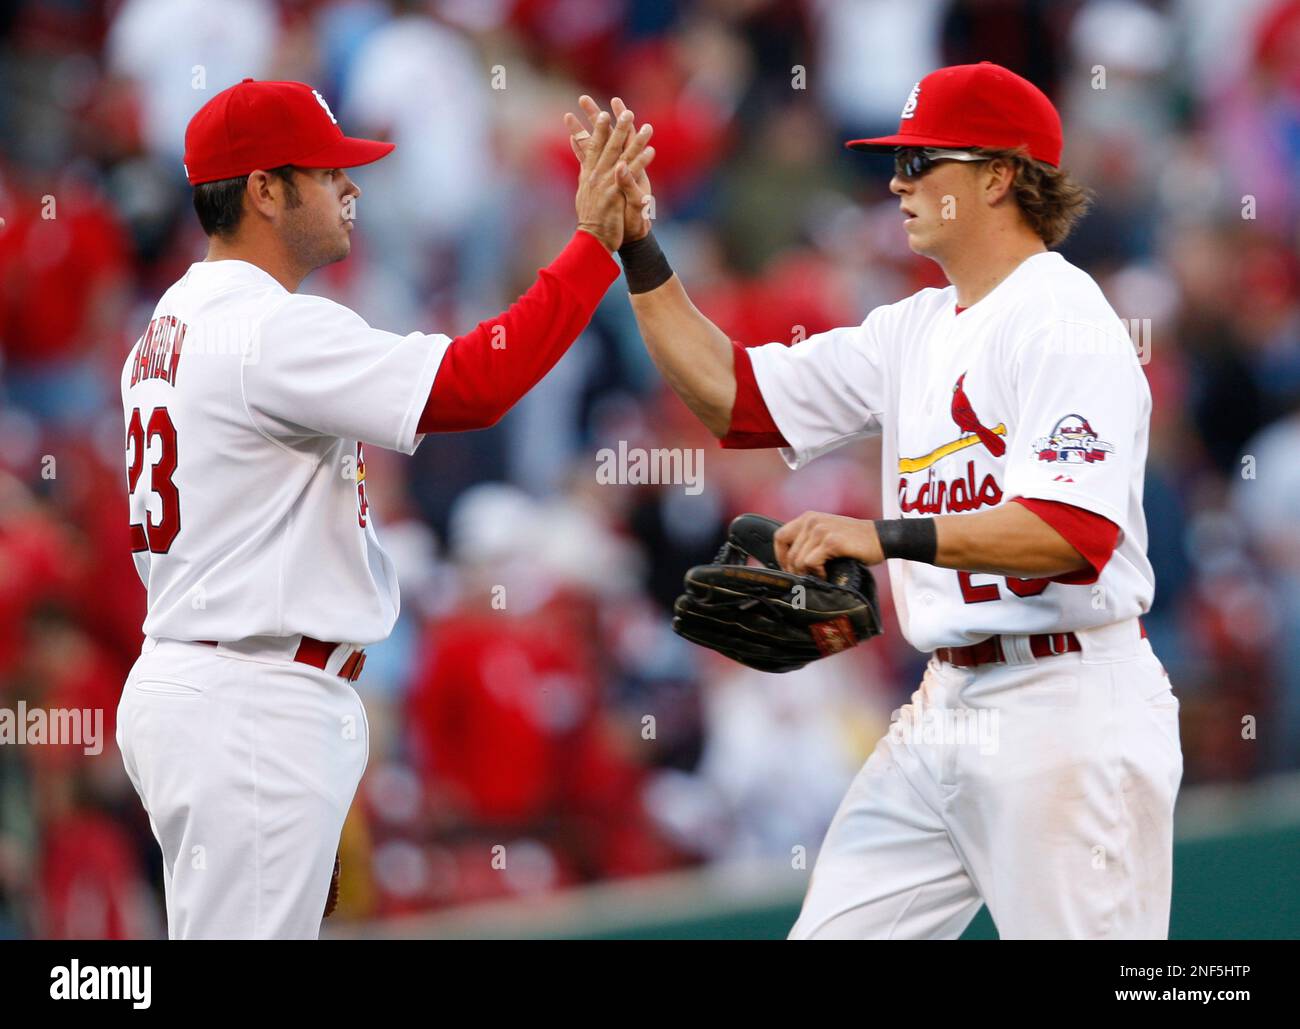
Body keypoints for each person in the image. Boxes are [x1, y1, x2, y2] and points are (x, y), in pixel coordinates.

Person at [570, 63, 1183, 939]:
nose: (897, 180)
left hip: (1069, 701)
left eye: (922, 159)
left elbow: (1071, 530)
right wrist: (637, 247)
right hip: (948, 706)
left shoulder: (1065, 316)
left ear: (1000, 174)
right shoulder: (915, 327)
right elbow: (733, 397)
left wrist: (881, 535)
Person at [115, 78, 653, 939]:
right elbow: (477, 385)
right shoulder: (264, 328)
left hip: (210, 676)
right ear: (263, 190)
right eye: (329, 172)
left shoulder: (170, 318)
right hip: (250, 694)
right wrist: (593, 245)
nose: (351, 187)